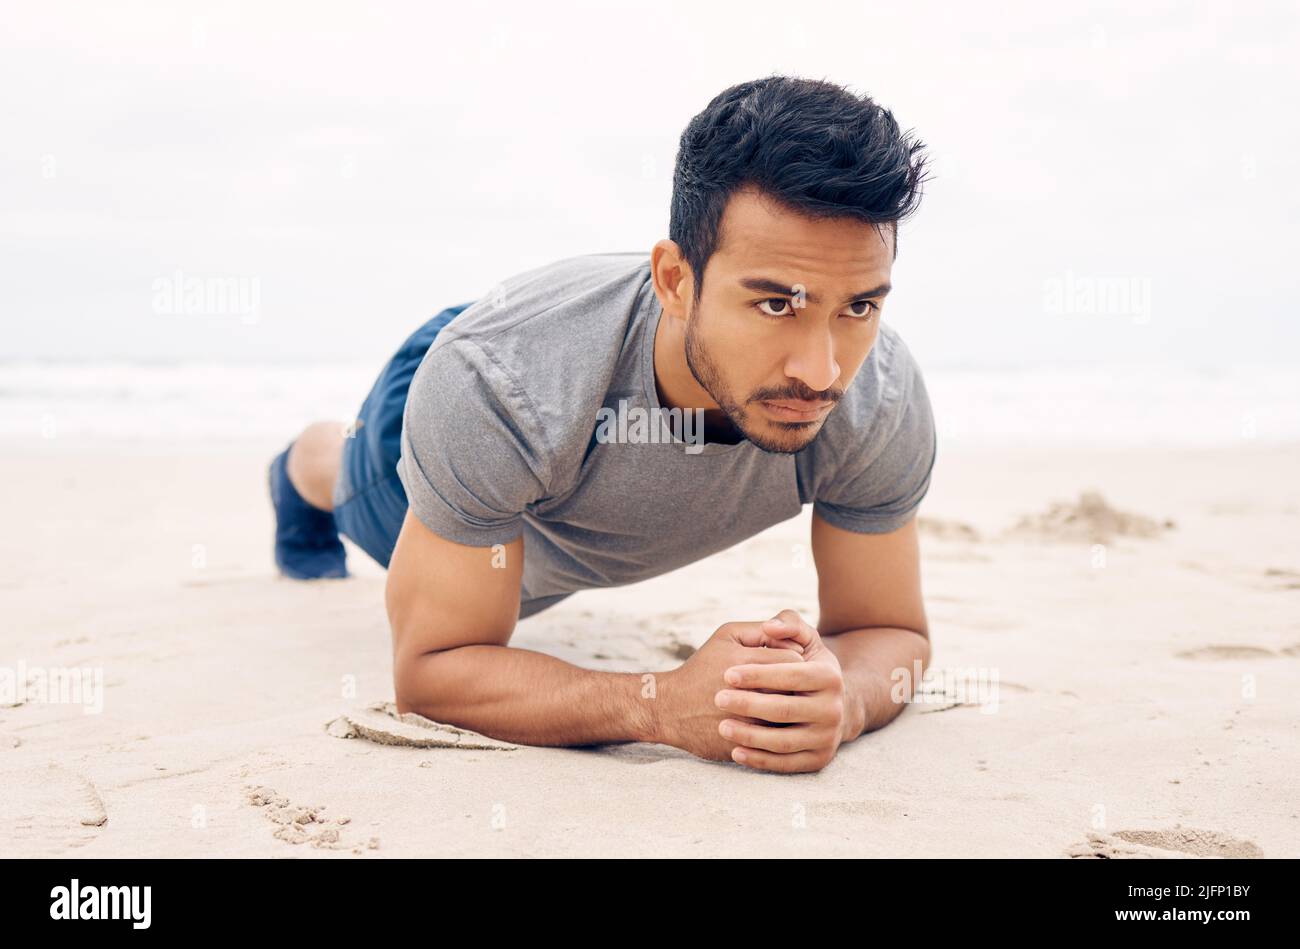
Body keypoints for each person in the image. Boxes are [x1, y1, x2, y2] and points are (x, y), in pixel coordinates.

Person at [269, 75, 936, 773]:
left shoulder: (879, 397)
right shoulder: (494, 389)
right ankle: (298, 467)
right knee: (347, 477)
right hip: (476, 391)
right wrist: (661, 703)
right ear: (676, 282)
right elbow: (431, 671)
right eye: (775, 305)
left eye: (858, 308)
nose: (823, 370)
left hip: (547, 363)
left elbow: (886, 630)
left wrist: (847, 700)